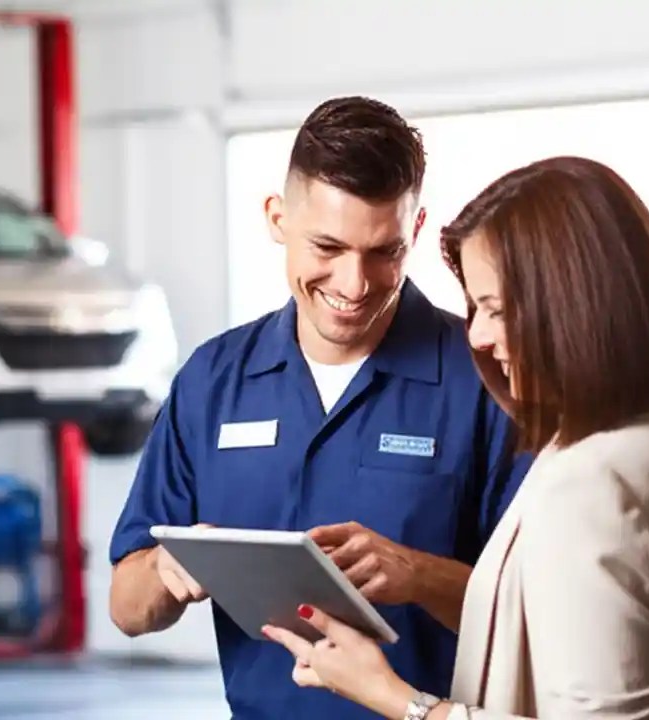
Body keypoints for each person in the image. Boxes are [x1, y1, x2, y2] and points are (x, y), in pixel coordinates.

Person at [263, 156, 649, 719]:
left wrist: (395, 697)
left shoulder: (590, 484)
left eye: (494, 309)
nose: (480, 336)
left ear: (573, 305)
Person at [107, 96, 531, 719]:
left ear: (414, 232)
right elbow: (126, 607)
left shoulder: (485, 379)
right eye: (327, 247)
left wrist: (418, 574)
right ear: (278, 218)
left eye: (383, 251)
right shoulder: (212, 380)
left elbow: (538, 617)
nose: (354, 284)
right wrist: (168, 571)